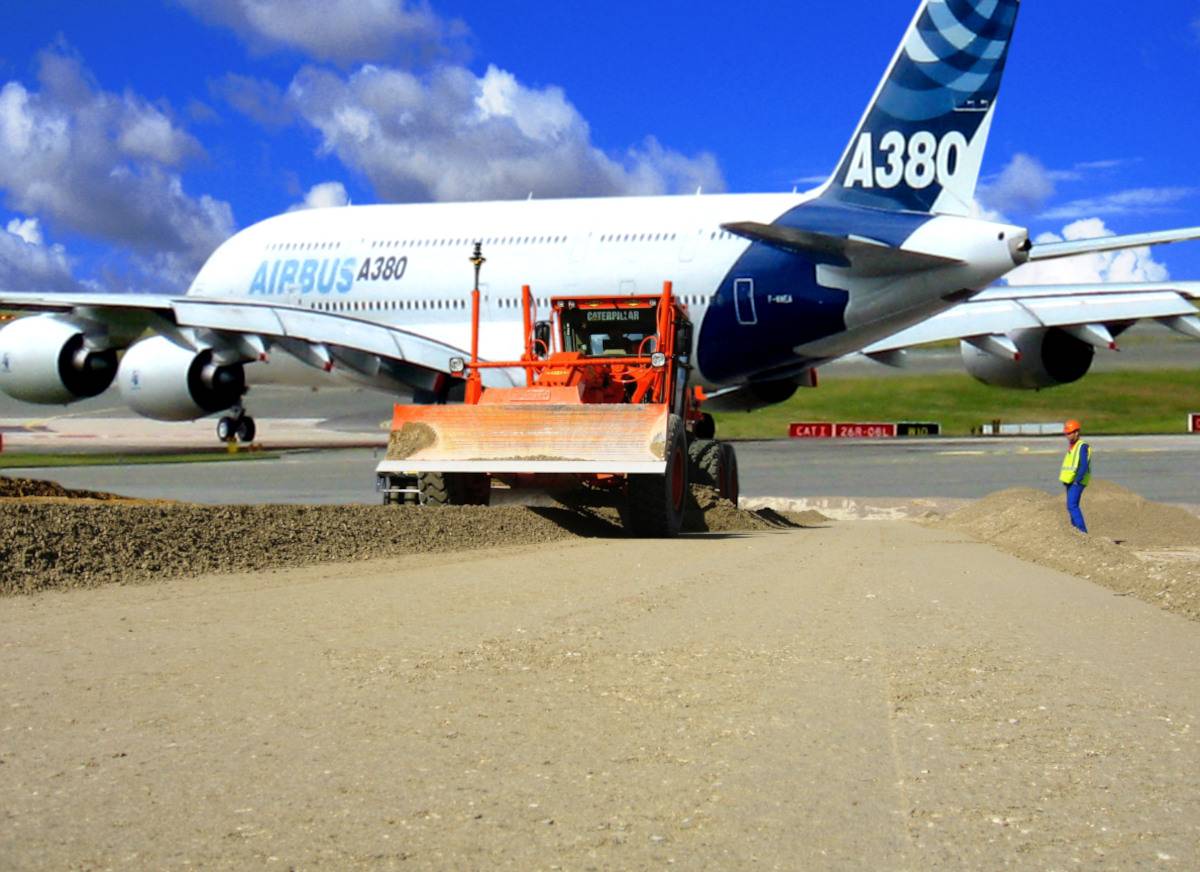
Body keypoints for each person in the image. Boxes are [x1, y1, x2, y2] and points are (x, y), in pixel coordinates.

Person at [1059, 419, 1092, 533]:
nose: (1067, 436)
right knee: (1071, 506)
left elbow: (1083, 465)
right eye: (1066, 433)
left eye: (1069, 433)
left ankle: (1082, 532)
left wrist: (1077, 480)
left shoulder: (1082, 446)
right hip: (1070, 481)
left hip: (1077, 481)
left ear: (1076, 432)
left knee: (1072, 505)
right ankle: (1075, 532)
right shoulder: (1072, 446)